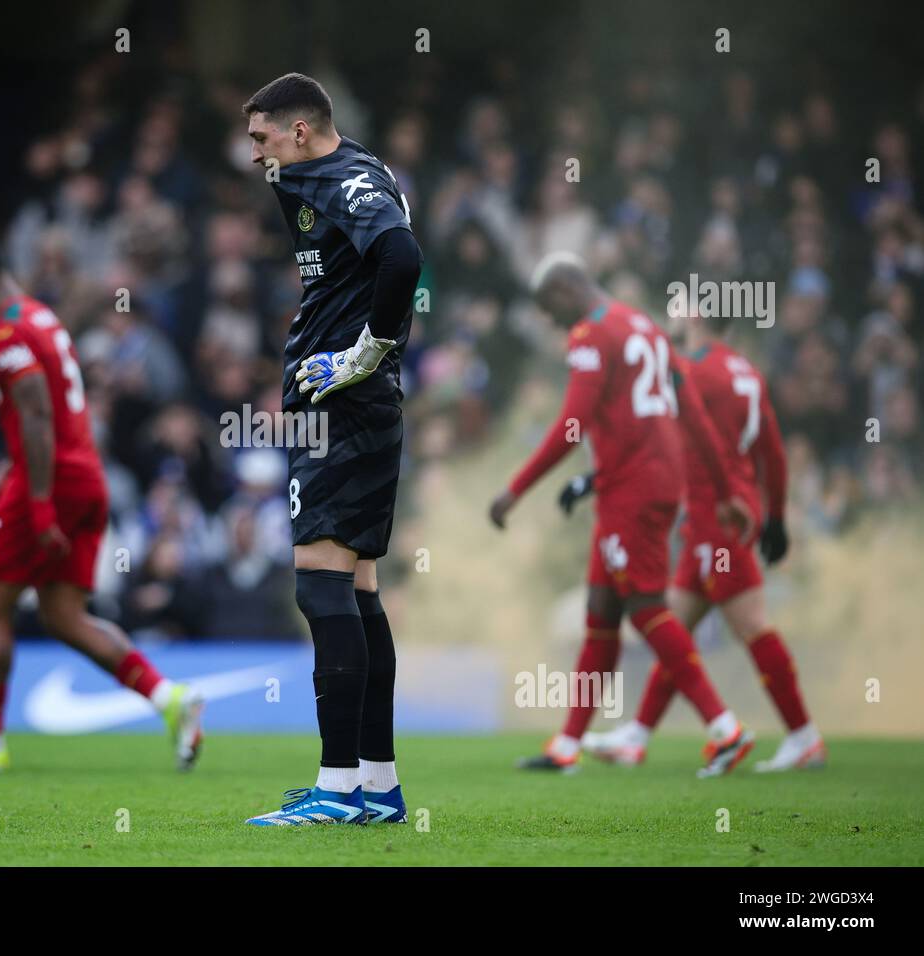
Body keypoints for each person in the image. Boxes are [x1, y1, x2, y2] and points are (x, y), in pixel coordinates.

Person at [0, 235, 202, 773]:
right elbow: (49, 418)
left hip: (49, 485)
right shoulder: (42, 318)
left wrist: (38, 502)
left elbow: (38, 417)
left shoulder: (8, 332)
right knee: (64, 615)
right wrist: (7, 472)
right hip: (83, 477)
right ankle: (169, 698)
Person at [489, 252, 755, 777]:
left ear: (566, 289)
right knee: (602, 612)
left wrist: (514, 489)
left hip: (632, 491)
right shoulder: (645, 327)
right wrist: (724, 491)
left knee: (645, 608)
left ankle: (725, 729)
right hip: (641, 485)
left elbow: (573, 423)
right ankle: (567, 746)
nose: (551, 321)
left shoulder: (592, 336)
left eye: (549, 308)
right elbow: (693, 417)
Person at [241, 73, 423, 825]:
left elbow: (403, 258)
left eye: (261, 138)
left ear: (302, 133)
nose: (254, 154)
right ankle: (377, 786)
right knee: (357, 591)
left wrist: (364, 353)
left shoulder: (346, 180)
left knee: (320, 585)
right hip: (356, 407)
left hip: (343, 406)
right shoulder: (345, 172)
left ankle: (338, 788)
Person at [574, 308, 824, 771]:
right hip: (716, 520)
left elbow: (655, 431)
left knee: (750, 623)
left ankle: (803, 735)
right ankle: (639, 734)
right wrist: (775, 516)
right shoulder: (745, 371)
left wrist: (601, 475)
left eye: (680, 309)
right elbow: (772, 450)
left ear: (697, 317)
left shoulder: (694, 371)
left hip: (718, 521)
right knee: (674, 629)